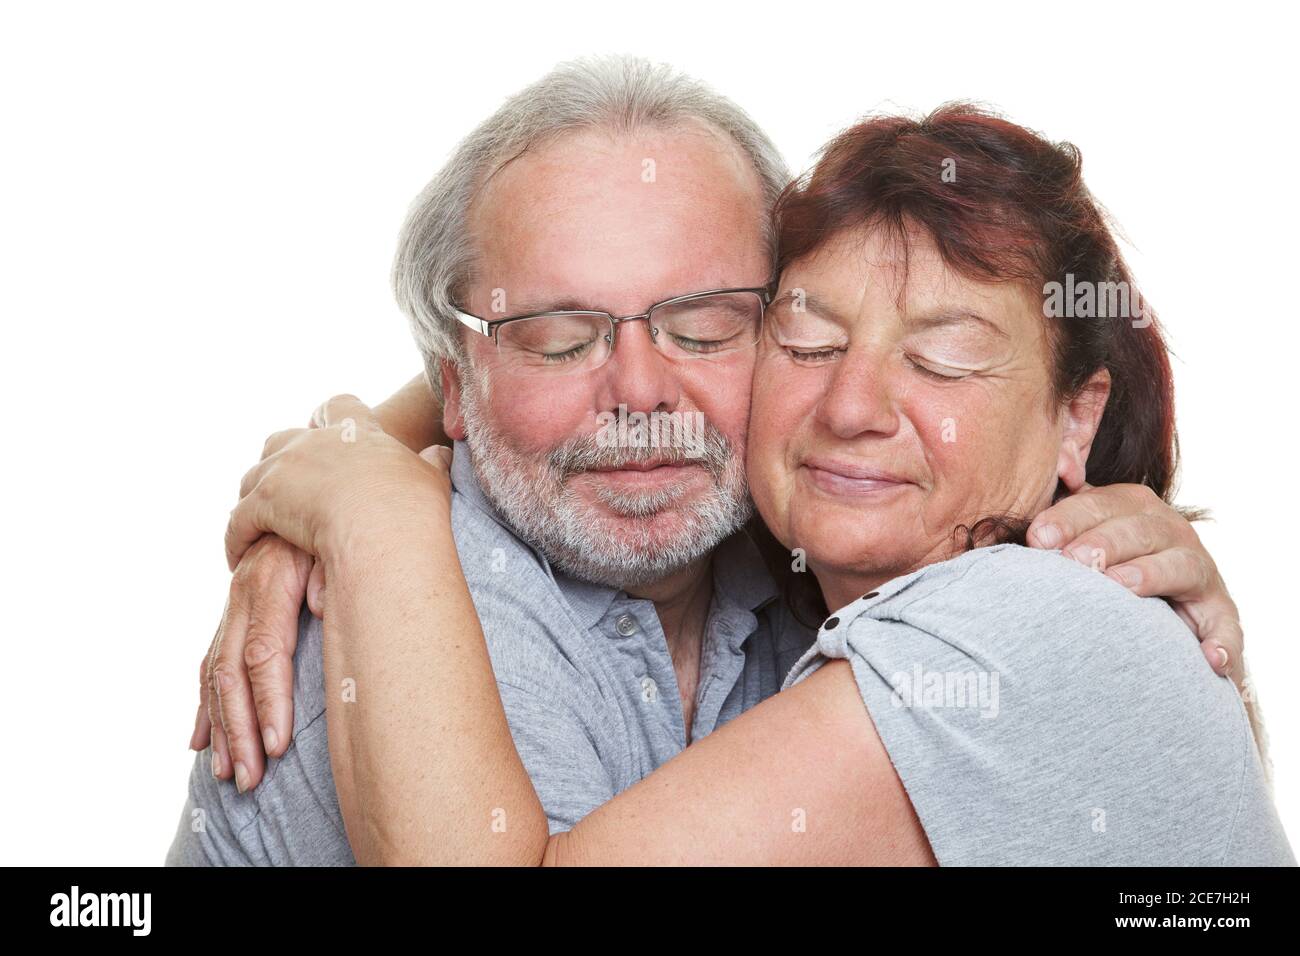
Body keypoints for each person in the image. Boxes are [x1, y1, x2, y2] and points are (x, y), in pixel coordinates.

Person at [169, 59, 1255, 866]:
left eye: (701, 327)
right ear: (458, 380)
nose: (640, 394)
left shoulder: (990, 611)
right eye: (556, 334)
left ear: (1076, 419)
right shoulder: (390, 638)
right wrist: (364, 482)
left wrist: (363, 481)